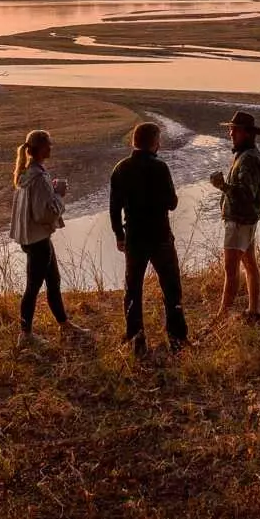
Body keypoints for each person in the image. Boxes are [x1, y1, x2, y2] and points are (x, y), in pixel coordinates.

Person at [108, 121, 186, 357]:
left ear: (134, 141)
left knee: (133, 289)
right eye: (158, 140)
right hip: (160, 236)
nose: (160, 144)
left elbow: (114, 208)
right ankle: (177, 338)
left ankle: (136, 337)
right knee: (171, 287)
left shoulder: (120, 168)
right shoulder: (160, 167)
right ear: (153, 142)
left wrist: (119, 235)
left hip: (134, 237)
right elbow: (172, 203)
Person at [9, 129, 89, 347]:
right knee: (33, 287)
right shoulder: (38, 177)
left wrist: (51, 192)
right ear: (41, 148)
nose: (51, 148)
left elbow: (35, 207)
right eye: (49, 145)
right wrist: (59, 194)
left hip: (31, 239)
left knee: (53, 282)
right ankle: (25, 335)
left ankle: (64, 325)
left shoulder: (25, 173)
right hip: (38, 241)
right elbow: (44, 213)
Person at [210, 111, 260, 325]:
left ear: (246, 133)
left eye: (234, 129)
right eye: (231, 128)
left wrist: (222, 186)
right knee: (250, 265)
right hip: (245, 219)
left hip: (240, 221)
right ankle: (253, 311)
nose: (230, 132)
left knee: (231, 270)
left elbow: (246, 194)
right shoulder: (246, 154)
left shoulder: (249, 159)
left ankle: (221, 316)